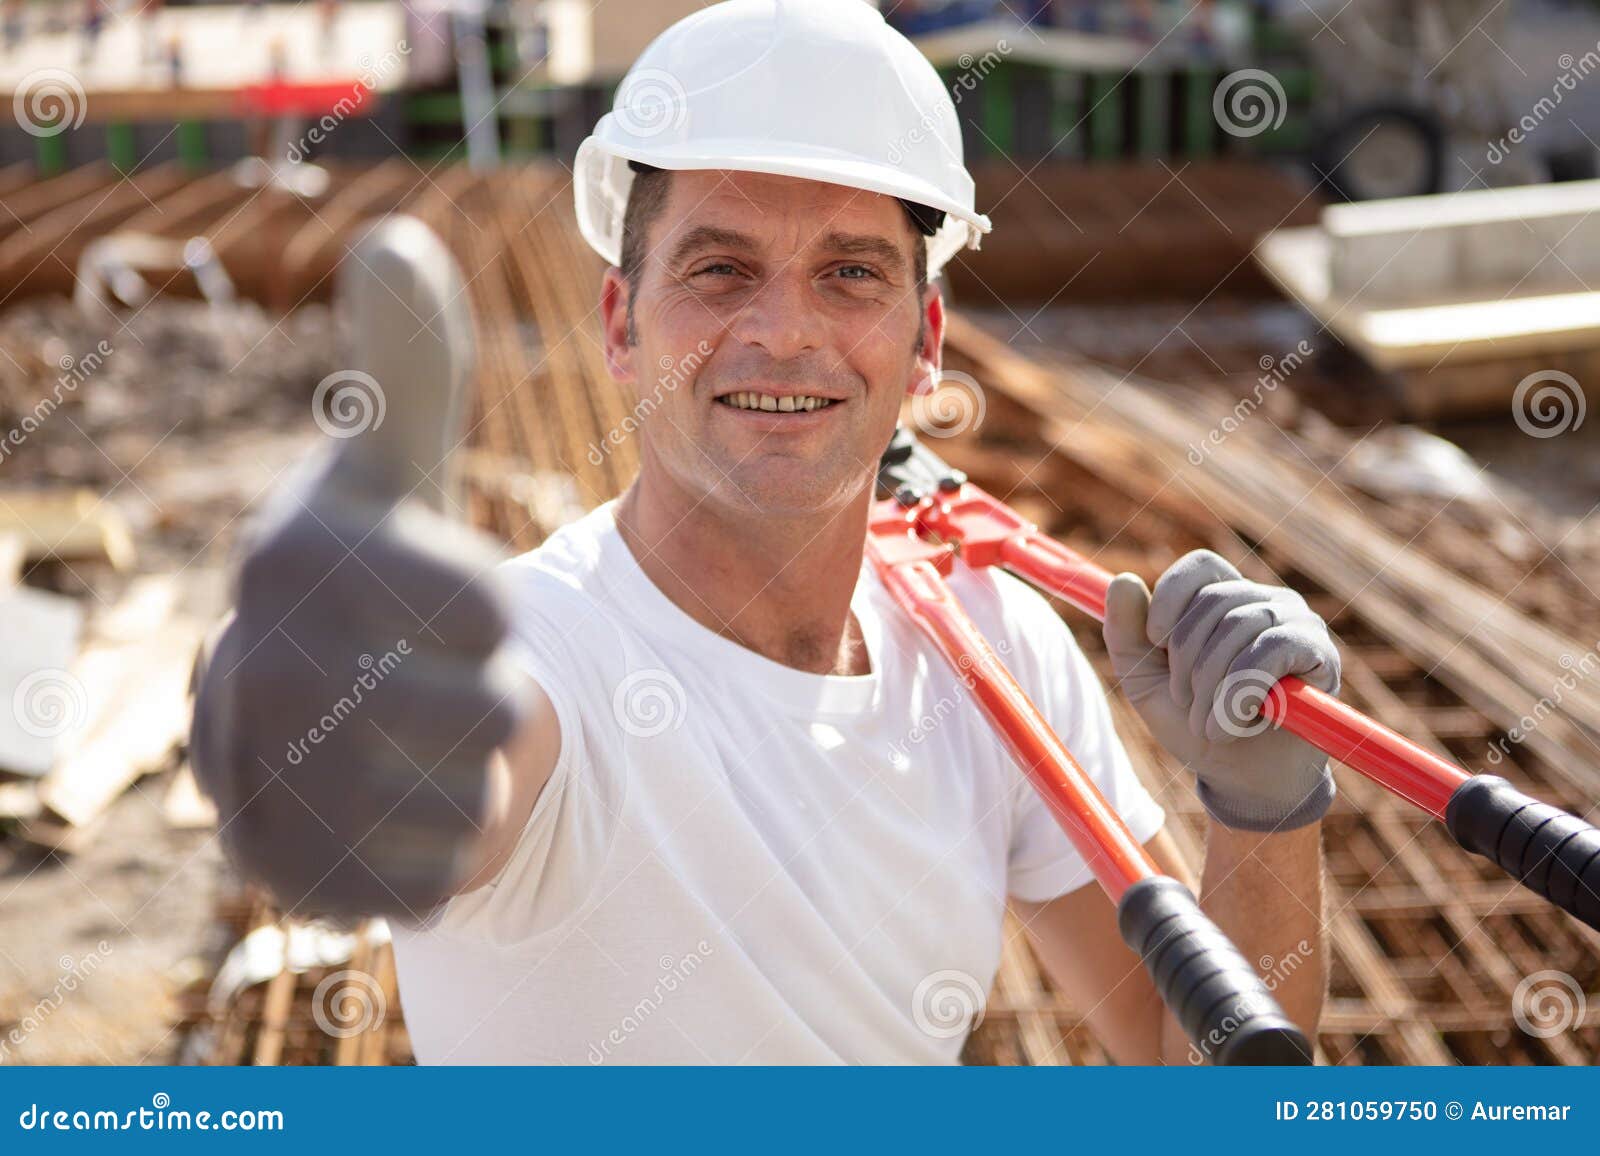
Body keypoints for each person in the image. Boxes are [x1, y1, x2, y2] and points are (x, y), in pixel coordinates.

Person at [191, 0, 1336, 1065]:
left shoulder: (997, 652)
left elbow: (1195, 1070)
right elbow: (429, 781)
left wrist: (1261, 811)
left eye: (849, 274)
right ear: (621, 326)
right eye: (720, 268)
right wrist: (312, 731)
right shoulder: (547, 656)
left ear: (924, 339)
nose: (784, 332)